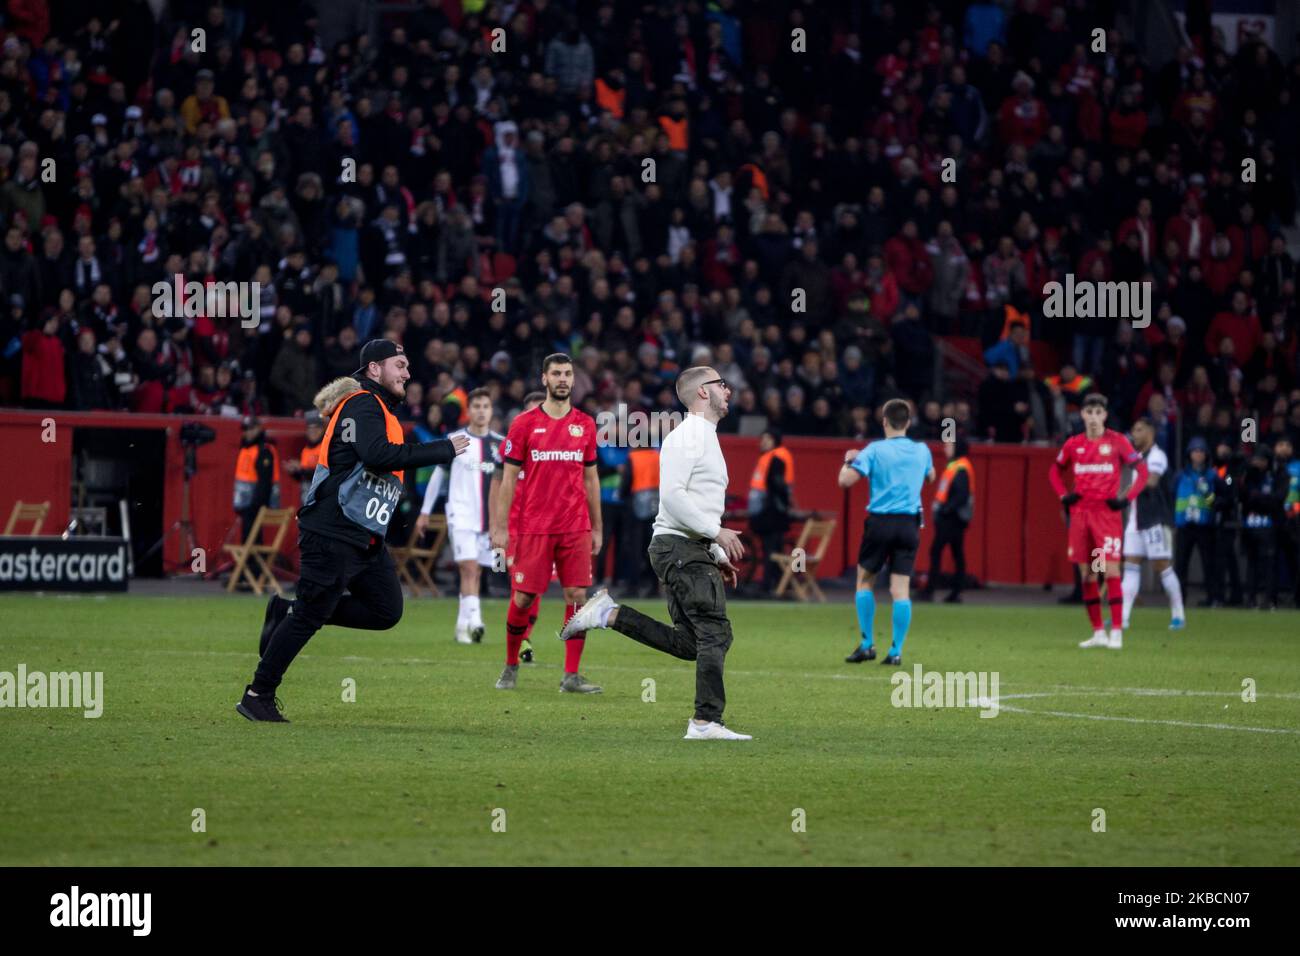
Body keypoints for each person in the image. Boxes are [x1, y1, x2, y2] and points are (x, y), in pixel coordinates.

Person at [236, 340, 469, 722]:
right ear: (375, 369)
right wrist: (442, 449)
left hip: (363, 534)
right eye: (400, 364)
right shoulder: (363, 403)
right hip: (334, 530)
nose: (408, 373)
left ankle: (289, 612)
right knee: (311, 616)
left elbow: (380, 469)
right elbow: (378, 456)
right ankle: (258, 693)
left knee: (385, 610)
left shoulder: (376, 409)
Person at [560, 366, 752, 740]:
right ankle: (705, 722)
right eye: (720, 384)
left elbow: (693, 502)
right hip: (679, 548)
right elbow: (673, 498)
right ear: (702, 393)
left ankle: (610, 614)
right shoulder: (691, 435)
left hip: (686, 548)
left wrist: (714, 551)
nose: (728, 390)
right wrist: (717, 534)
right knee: (715, 632)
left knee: (691, 642)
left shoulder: (703, 436)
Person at [491, 354, 603, 693]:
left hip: (575, 526)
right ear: (544, 379)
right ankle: (510, 665)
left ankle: (570, 675)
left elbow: (592, 480)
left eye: (568, 373)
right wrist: (499, 527)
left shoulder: (585, 424)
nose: (563, 379)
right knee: (523, 598)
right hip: (534, 526)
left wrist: (597, 527)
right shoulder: (524, 424)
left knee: (577, 595)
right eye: (556, 373)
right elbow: (508, 480)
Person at [839, 399, 937, 666]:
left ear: (884, 421)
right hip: (909, 525)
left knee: (864, 581)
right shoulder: (922, 451)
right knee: (900, 589)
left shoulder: (874, 450)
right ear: (908, 422)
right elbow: (931, 477)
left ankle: (867, 644)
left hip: (880, 523)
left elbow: (845, 482)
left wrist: (848, 461)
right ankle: (896, 651)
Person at [1048, 393, 1148, 650]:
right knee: (1089, 574)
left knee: (1111, 570)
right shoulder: (1073, 444)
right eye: (1088, 412)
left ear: (1104, 415)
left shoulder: (1117, 442)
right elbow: (1054, 470)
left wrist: (1126, 499)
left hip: (1106, 516)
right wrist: (1064, 496)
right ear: (1082, 414)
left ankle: (1116, 631)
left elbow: (1142, 471)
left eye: (1098, 413)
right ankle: (1098, 633)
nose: (1093, 418)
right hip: (1081, 517)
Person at [416, 388, 505, 644]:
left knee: (476, 572)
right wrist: (424, 511)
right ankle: (476, 621)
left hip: (488, 519)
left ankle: (461, 626)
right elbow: (438, 475)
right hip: (460, 513)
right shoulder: (455, 440)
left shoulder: (500, 444)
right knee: (469, 566)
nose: (480, 411)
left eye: (485, 406)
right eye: (476, 406)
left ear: (490, 411)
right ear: (469, 411)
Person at [1120, 417, 1184, 630]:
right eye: (1133, 430)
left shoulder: (1157, 455)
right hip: (1136, 520)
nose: (1134, 435)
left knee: (1162, 566)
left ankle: (1179, 615)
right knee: (1130, 565)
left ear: (1150, 432)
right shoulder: (1137, 457)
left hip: (1155, 519)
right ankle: (1123, 617)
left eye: (1138, 430)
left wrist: (1124, 494)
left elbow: (1152, 481)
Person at [504, 392, 547, 664]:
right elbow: (498, 487)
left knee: (536, 590)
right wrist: (498, 530)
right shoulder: (512, 446)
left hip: (544, 531)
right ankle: (520, 644)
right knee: (520, 589)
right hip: (515, 532)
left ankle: (525, 636)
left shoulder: (553, 453)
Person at [921, 435, 974, 603]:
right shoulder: (956, 466)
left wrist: (945, 509)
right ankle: (955, 592)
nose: (945, 448)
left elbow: (961, 495)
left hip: (952, 518)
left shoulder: (960, 468)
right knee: (956, 553)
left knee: (937, 550)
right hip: (954, 517)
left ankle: (931, 590)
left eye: (949, 445)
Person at [1240, 444, 1288, 610]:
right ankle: (1250, 598)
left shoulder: (1279, 474)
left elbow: (1278, 499)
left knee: (1269, 562)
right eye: (1255, 460)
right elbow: (1243, 495)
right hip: (1251, 526)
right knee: (1251, 563)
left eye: (1261, 460)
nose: (1257, 463)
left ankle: (1269, 599)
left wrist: (1258, 499)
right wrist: (1261, 499)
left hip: (1271, 526)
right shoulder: (1248, 474)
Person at [748, 428, 794, 594]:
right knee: (774, 549)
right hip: (774, 512)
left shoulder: (776, 458)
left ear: (774, 440)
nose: (763, 442)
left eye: (767, 439)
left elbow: (777, 486)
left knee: (771, 550)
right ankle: (778, 583)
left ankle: (768, 584)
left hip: (771, 513)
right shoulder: (776, 456)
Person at [1173, 437, 1217, 608]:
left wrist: (1208, 495)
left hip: (1204, 525)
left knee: (1208, 563)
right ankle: (1179, 600)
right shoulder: (1180, 475)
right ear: (1189, 454)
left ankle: (1212, 598)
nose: (1198, 454)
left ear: (1206, 455)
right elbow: (1172, 496)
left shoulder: (1212, 475)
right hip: (1184, 525)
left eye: (1201, 451)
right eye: (1195, 451)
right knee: (1181, 564)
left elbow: (1217, 498)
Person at [232, 416, 280, 543]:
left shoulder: (263, 450)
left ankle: (253, 563)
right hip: (245, 503)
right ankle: (253, 562)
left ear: (259, 428)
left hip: (254, 505)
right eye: (246, 429)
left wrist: (256, 506)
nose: (248, 432)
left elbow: (265, 481)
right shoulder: (246, 448)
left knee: (252, 540)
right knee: (249, 539)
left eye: (251, 429)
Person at [1208, 440, 1244, 606]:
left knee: (1225, 560)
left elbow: (1229, 494)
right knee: (1223, 560)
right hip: (1215, 521)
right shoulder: (1213, 469)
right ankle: (1223, 595)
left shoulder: (1230, 473)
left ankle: (1226, 596)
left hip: (1226, 520)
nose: (1222, 451)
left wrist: (1214, 502)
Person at [285, 410, 325, 503]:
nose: (313, 432)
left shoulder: (325, 447)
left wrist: (301, 468)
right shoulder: (306, 449)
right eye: (310, 429)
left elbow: (323, 475)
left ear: (322, 429)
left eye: (316, 428)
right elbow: (303, 477)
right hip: (306, 495)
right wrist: (294, 471)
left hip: (320, 496)